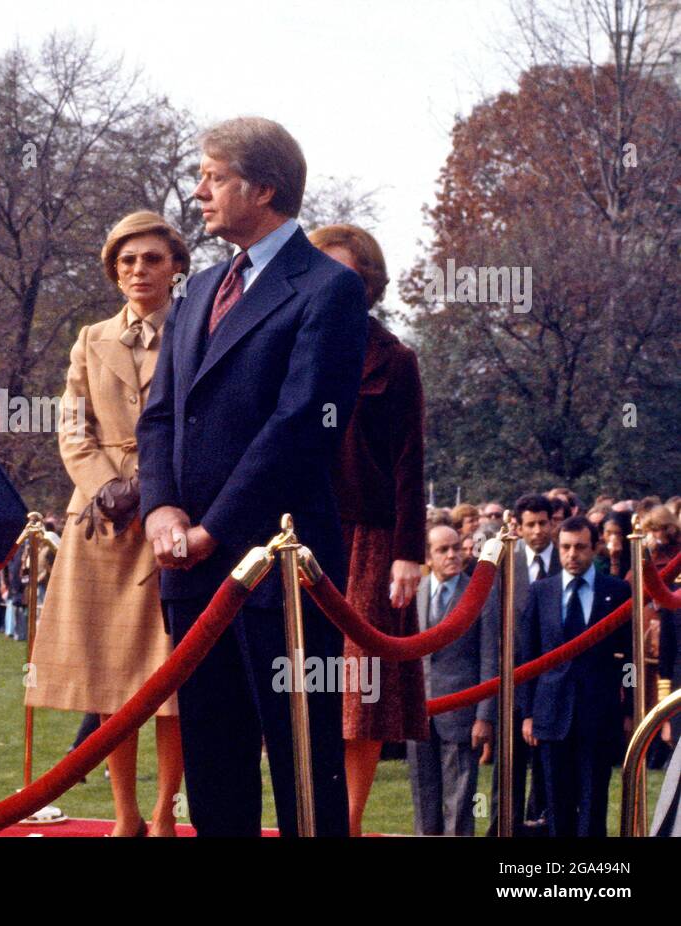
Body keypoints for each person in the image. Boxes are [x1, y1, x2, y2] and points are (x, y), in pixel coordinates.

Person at [137, 116, 367, 837]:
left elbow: (301, 425)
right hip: (191, 569)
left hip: (280, 571)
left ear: (262, 188)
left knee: (304, 767)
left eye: (214, 177)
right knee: (212, 761)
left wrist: (215, 530)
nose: (198, 191)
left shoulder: (328, 289)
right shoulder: (197, 289)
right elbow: (159, 416)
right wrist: (162, 511)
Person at [26, 210, 189, 837]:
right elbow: (72, 425)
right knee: (107, 676)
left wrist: (154, 490)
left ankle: (165, 811)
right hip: (100, 522)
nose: (139, 270)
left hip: (176, 516)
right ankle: (124, 816)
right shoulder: (91, 338)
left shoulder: (198, 330)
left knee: (173, 676)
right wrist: (106, 488)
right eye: (126, 261)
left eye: (151, 258)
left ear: (175, 265)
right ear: (112, 271)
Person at [309, 223, 426, 836]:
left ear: (370, 285)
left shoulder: (395, 359)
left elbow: (412, 460)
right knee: (300, 687)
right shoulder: (292, 347)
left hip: (370, 541)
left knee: (360, 697)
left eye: (346, 277)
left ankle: (347, 824)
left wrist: (409, 553)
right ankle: (308, 816)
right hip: (297, 537)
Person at [519, 516, 631, 837]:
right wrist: (527, 713)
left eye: (580, 547)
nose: (572, 555)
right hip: (551, 715)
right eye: (566, 547)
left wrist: (630, 707)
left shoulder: (617, 591)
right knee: (556, 804)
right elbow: (529, 659)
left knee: (594, 802)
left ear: (594, 547)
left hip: (599, 714)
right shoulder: (541, 592)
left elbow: (629, 660)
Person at [480, 492, 556, 834]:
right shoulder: (506, 563)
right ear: (518, 527)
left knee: (549, 772)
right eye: (530, 525)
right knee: (508, 769)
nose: (537, 531)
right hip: (513, 682)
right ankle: (503, 830)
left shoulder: (568, 560)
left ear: (553, 523)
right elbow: (493, 625)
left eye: (543, 523)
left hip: (555, 681)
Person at [407, 526, 487, 835]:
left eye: (456, 547)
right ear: (428, 556)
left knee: (460, 800)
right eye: (443, 550)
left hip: (462, 713)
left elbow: (490, 657)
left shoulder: (479, 593)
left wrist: (484, 715)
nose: (453, 555)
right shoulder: (415, 591)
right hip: (420, 712)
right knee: (423, 798)